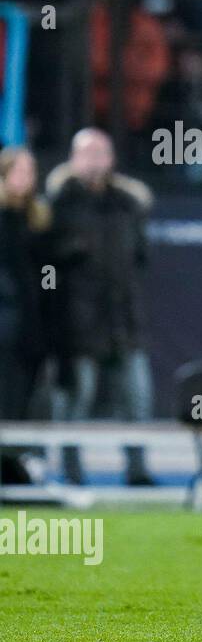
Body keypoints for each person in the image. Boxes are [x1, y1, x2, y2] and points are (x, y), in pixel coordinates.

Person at [46, 128, 154, 484]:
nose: (95, 161)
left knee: (137, 398)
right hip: (77, 321)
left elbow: (139, 260)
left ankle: (137, 470)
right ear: (73, 159)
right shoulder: (59, 204)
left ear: (112, 159)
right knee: (76, 399)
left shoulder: (126, 205)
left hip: (122, 318)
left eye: (101, 153)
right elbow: (47, 264)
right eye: (87, 153)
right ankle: (71, 472)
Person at [0, 146, 52, 419]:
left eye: (29, 171)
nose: (24, 177)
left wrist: (47, 289)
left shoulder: (38, 220)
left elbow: (47, 271)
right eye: (17, 171)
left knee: (26, 391)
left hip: (31, 321)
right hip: (6, 319)